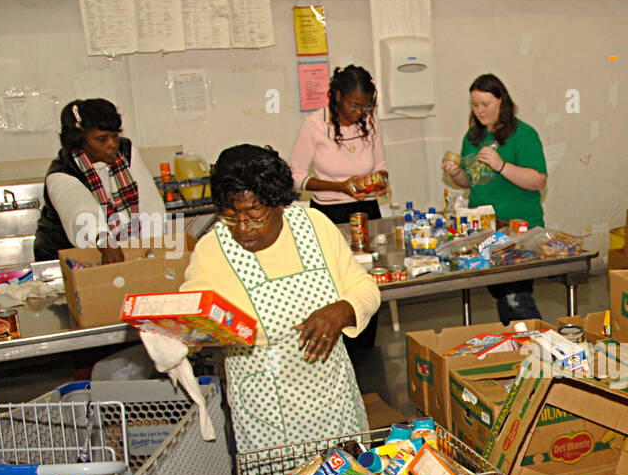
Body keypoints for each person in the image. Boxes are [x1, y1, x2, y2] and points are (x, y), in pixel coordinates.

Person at [176, 144, 379, 454]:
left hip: (334, 403)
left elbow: (364, 287)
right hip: (266, 419)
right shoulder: (212, 250)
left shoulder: (314, 226)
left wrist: (342, 310)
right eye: (232, 217)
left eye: (254, 215)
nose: (243, 229)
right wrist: (182, 331)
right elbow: (188, 317)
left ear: (278, 204)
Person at [288, 64, 388, 351]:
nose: (359, 112)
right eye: (353, 105)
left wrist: (379, 182)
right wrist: (339, 187)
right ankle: (337, 344)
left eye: (365, 106)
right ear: (337, 96)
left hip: (367, 211)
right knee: (336, 282)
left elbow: (380, 166)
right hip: (329, 215)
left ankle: (367, 347)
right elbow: (294, 176)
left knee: (368, 280)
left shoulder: (370, 123)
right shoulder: (316, 125)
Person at [441, 74, 548, 323]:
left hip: (518, 228)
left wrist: (502, 166)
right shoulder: (472, 138)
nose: (480, 111)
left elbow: (538, 180)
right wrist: (457, 173)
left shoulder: (523, 135)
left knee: (515, 294)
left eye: (485, 104)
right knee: (502, 293)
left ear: (502, 102)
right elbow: (472, 181)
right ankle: (518, 345)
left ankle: (542, 346)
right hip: (484, 229)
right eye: (475, 105)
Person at [33, 98, 165, 262]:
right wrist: (105, 241)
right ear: (80, 140)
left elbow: (151, 206)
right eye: (102, 139)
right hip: (65, 260)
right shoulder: (63, 172)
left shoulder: (126, 152)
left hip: (121, 252)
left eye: (115, 136)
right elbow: (82, 215)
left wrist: (151, 252)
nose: (112, 144)